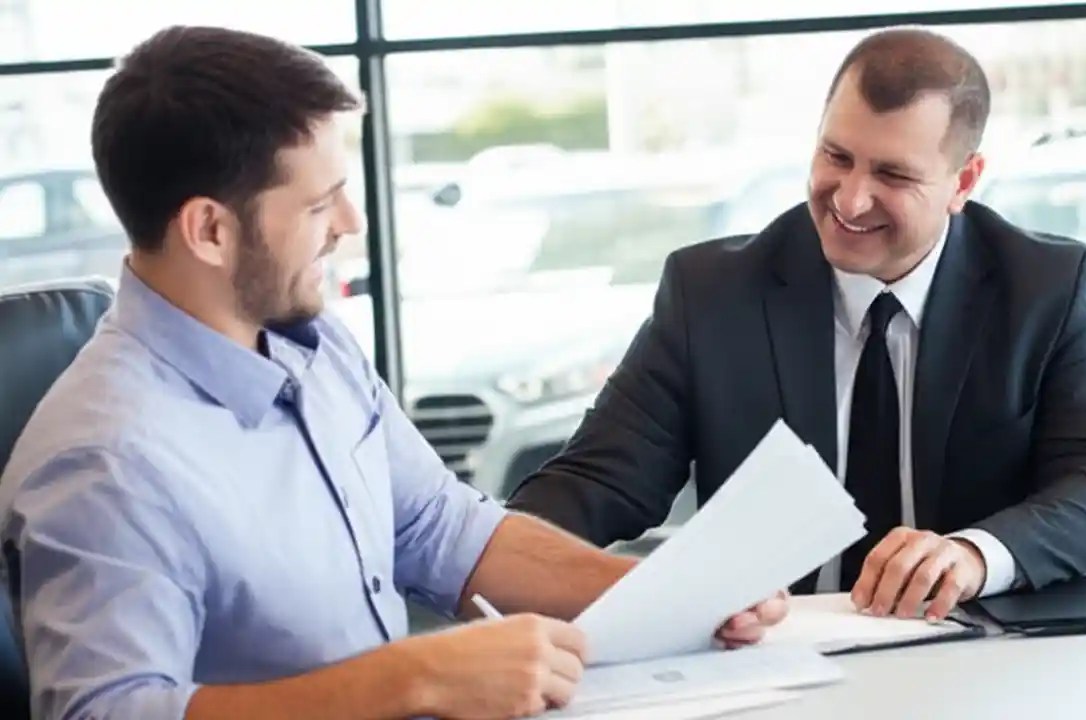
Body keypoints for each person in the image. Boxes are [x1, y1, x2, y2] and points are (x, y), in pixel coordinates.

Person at [0, 27, 786, 720]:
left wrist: (666, 592)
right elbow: (112, 712)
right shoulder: (104, 459)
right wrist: (410, 680)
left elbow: (440, 529)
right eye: (321, 205)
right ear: (210, 229)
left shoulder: (306, 341)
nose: (352, 224)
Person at [508, 27, 1086, 621]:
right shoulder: (712, 294)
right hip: (767, 658)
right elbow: (597, 481)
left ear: (964, 181)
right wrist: (475, 565)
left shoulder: (1044, 288)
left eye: (892, 174)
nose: (849, 199)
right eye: (836, 156)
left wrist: (976, 555)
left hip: (973, 654)